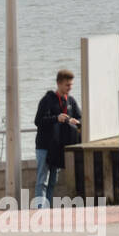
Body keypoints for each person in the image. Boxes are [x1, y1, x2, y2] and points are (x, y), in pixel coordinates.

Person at [33, 69, 81, 208]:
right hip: (44, 146)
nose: (69, 88)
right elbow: (38, 121)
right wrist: (56, 118)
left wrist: (75, 121)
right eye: (67, 85)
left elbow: (80, 117)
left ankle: (47, 208)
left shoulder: (70, 100)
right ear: (59, 83)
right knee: (43, 180)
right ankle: (40, 208)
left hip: (59, 147)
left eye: (71, 85)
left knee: (53, 180)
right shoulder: (47, 100)